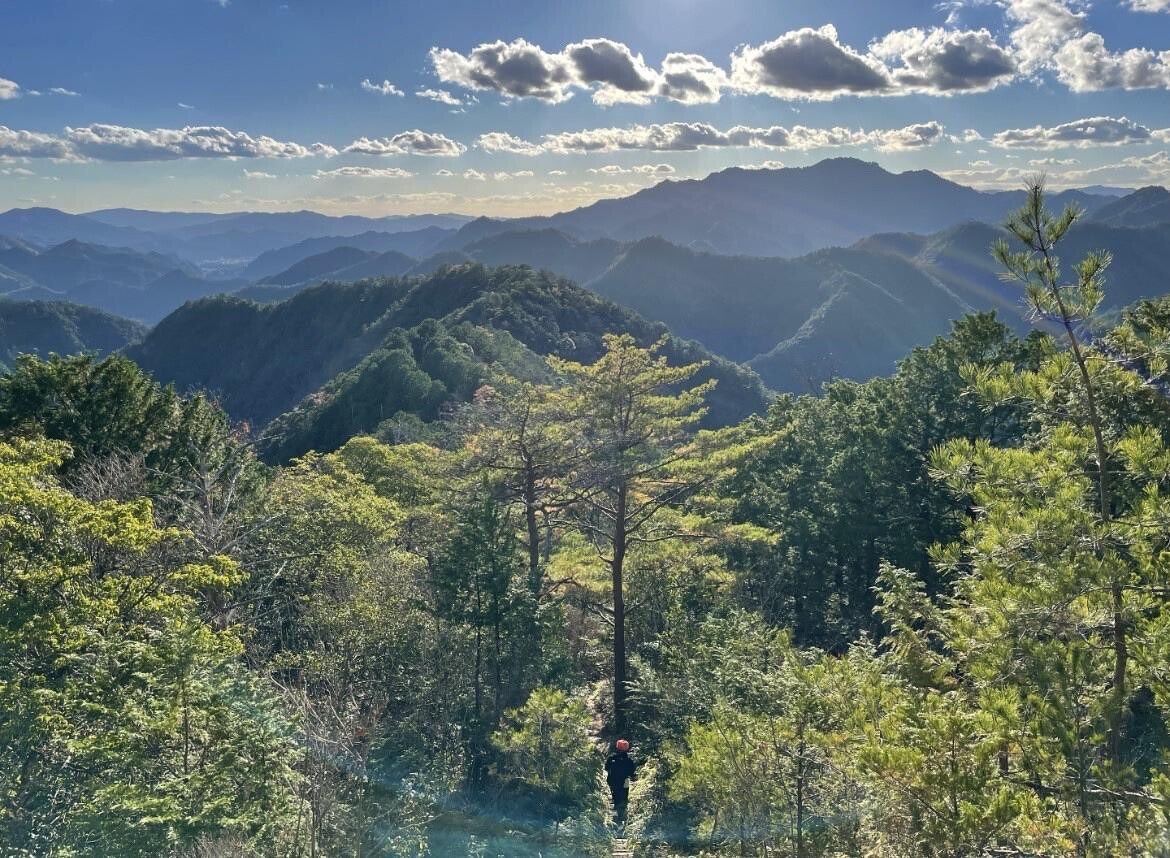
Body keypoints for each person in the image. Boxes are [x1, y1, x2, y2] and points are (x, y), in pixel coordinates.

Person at [604, 739, 635, 823]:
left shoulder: (611, 758)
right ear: (627, 748)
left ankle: (617, 813)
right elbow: (632, 772)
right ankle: (622, 814)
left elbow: (606, 768)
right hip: (625, 781)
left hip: (612, 780)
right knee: (624, 796)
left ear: (617, 747)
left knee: (615, 795)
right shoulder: (629, 760)